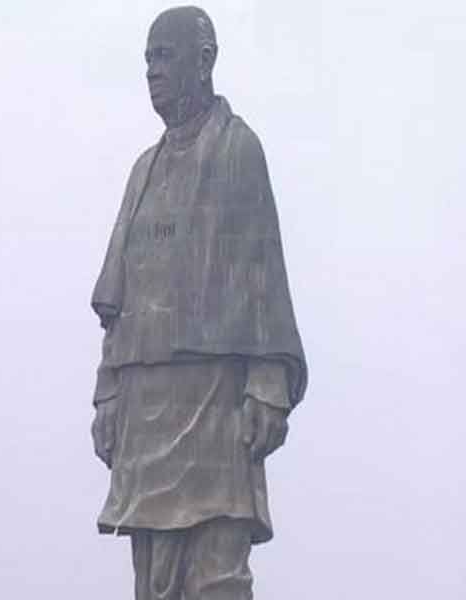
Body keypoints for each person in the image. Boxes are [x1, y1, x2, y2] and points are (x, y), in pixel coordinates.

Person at [90, 7, 308, 599]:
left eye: (164, 57)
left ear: (204, 60)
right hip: (145, 407)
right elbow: (116, 301)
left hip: (214, 401)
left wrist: (267, 383)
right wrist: (108, 392)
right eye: (147, 60)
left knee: (217, 576)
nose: (152, 72)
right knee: (153, 582)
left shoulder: (239, 150)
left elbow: (263, 277)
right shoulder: (144, 169)